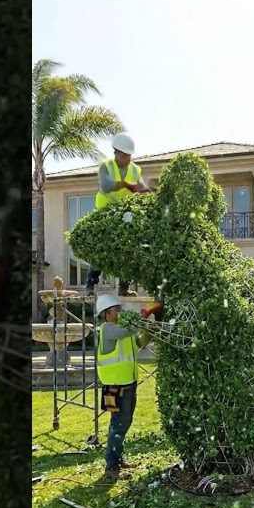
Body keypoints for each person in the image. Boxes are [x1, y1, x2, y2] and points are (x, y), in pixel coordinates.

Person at [95, 293, 160, 480]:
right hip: (114, 385)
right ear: (106, 313)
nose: (120, 313)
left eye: (120, 309)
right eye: (117, 310)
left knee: (124, 422)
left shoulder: (121, 330)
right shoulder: (108, 329)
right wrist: (147, 312)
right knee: (118, 424)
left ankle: (117, 459)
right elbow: (128, 330)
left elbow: (139, 342)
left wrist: (151, 331)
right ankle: (112, 466)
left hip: (128, 383)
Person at [86, 133, 147, 296]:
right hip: (105, 211)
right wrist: (126, 185)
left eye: (129, 155)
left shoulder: (135, 169)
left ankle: (124, 288)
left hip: (124, 212)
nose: (127, 159)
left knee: (127, 248)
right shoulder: (106, 166)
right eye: (124, 155)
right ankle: (91, 286)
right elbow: (106, 186)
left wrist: (145, 190)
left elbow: (141, 186)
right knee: (102, 248)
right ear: (116, 153)